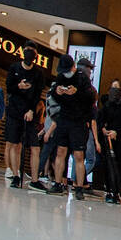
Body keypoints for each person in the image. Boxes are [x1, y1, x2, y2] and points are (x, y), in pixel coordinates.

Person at [47, 56, 99, 199]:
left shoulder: (83, 79)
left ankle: (79, 187)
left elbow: (90, 98)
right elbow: (53, 96)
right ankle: (58, 184)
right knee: (60, 152)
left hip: (79, 122)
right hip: (64, 119)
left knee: (79, 155)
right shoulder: (60, 78)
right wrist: (57, 92)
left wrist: (76, 92)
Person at [3, 41, 47, 190]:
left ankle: (34, 180)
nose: (29, 53)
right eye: (27, 50)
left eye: (32, 51)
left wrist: (31, 110)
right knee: (15, 145)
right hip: (14, 112)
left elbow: (37, 95)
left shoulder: (39, 74)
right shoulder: (14, 68)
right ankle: (16, 176)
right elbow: (9, 87)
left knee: (35, 147)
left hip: (30, 114)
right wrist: (18, 86)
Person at [99, 80, 121, 204]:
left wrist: (116, 132)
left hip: (119, 140)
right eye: (112, 88)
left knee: (118, 166)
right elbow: (100, 120)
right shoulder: (107, 105)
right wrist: (103, 129)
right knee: (107, 165)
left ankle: (117, 192)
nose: (114, 91)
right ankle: (108, 190)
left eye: (116, 88)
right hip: (107, 139)